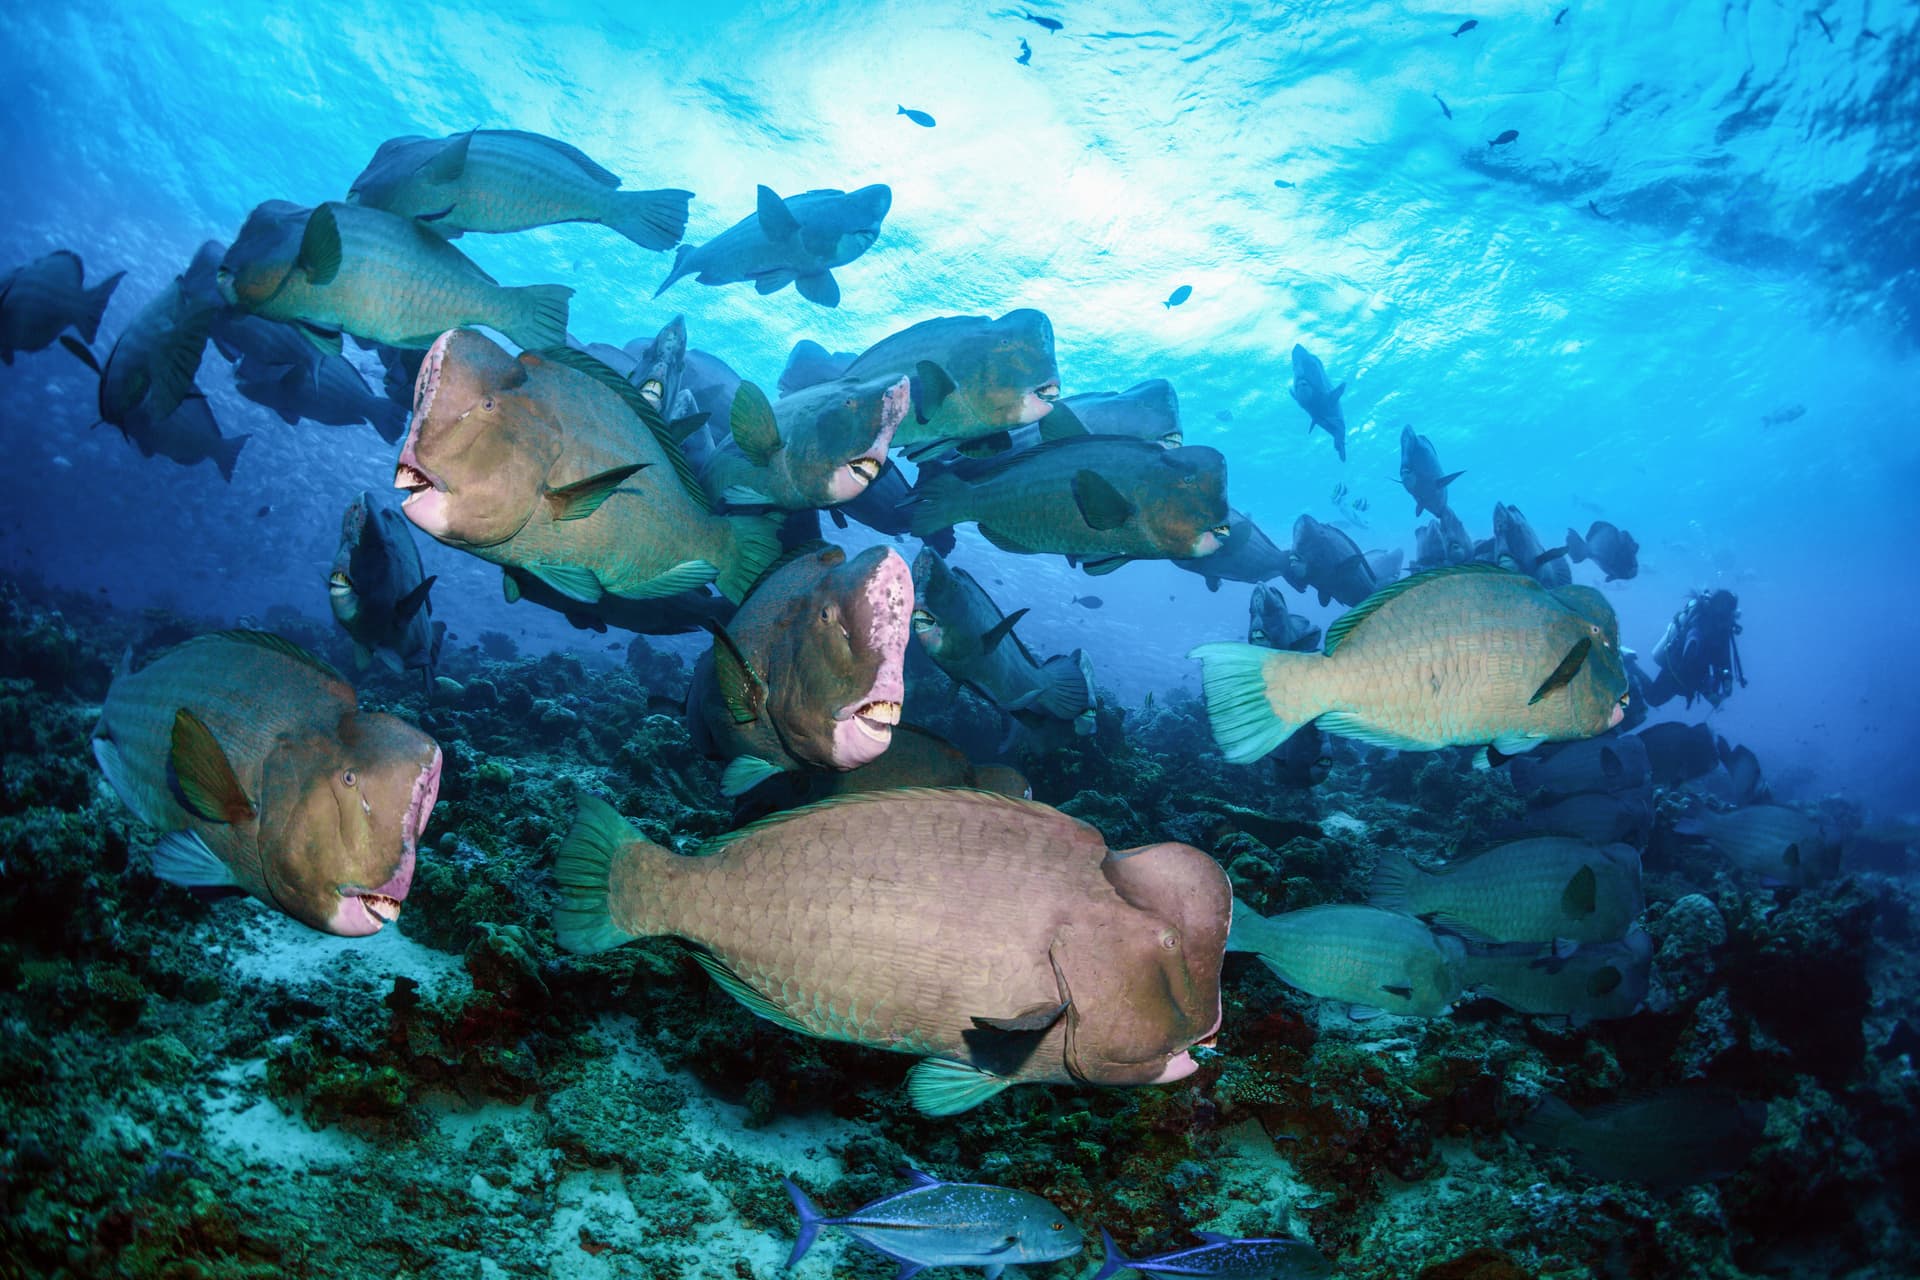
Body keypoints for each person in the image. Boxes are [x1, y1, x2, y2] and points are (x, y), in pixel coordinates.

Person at [1646, 589, 1746, 708]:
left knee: (1652, 700)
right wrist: (1707, 692)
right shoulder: (1698, 629)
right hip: (1675, 673)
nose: (1730, 621)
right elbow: (1686, 664)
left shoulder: (1721, 631)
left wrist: (1726, 679)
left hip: (1691, 680)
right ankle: (1631, 667)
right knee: (1652, 699)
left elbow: (1724, 660)